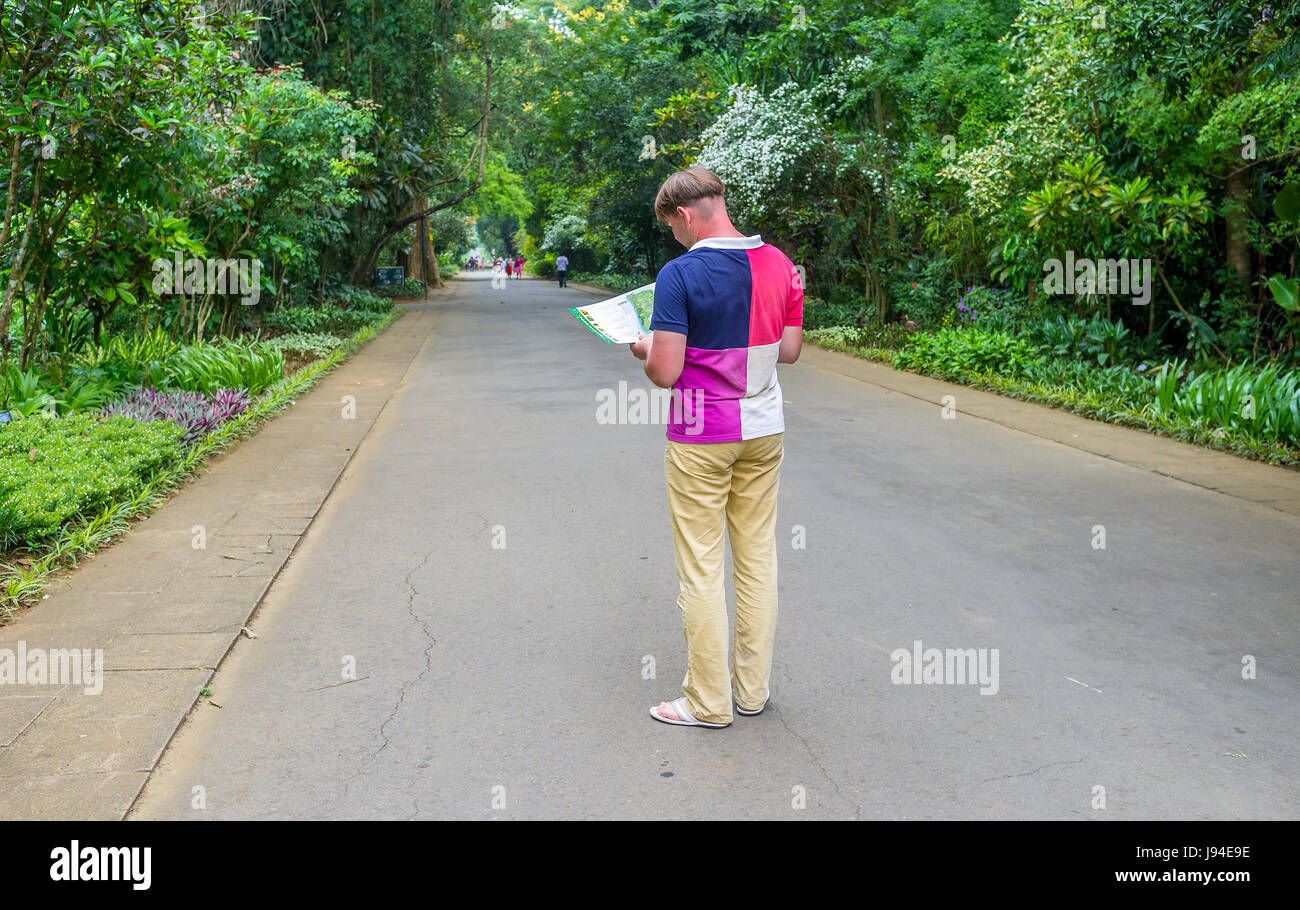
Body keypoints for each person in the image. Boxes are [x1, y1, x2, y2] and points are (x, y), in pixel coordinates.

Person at [629, 166, 803, 729]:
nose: (674, 239)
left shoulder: (679, 275)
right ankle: (750, 692)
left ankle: (707, 703)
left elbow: (665, 371)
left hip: (703, 435)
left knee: (701, 567)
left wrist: (642, 346)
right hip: (764, 429)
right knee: (757, 559)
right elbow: (791, 350)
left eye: (672, 228)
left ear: (684, 215)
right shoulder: (781, 264)